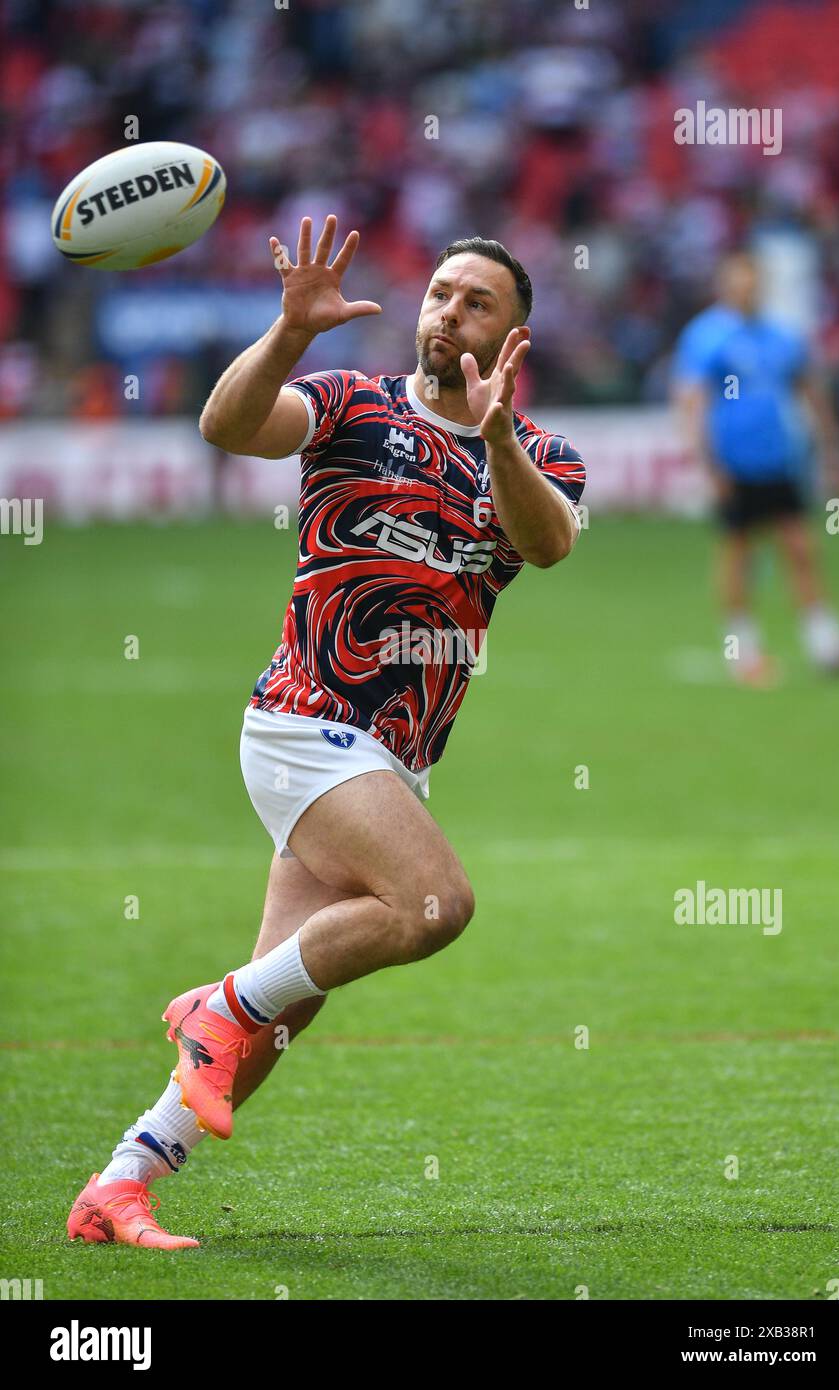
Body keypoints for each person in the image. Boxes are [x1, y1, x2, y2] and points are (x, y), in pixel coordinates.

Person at [67, 216, 586, 1249]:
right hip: (306, 721)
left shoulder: (540, 456)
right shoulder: (351, 402)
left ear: (513, 336)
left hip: (394, 756)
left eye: (476, 302)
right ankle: (219, 1004)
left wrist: (493, 439)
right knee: (435, 903)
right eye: (440, 292)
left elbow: (546, 544)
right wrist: (289, 333)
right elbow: (226, 426)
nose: (448, 312)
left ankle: (119, 1184)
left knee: (284, 1008)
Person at [673, 250, 839, 686]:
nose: (747, 290)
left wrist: (831, 446)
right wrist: (708, 464)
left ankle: (827, 645)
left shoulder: (782, 336)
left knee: (801, 548)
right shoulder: (706, 336)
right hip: (734, 463)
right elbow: (692, 402)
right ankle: (743, 653)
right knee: (739, 554)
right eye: (739, 283)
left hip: (780, 458)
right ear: (725, 286)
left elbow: (810, 390)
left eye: (753, 283)